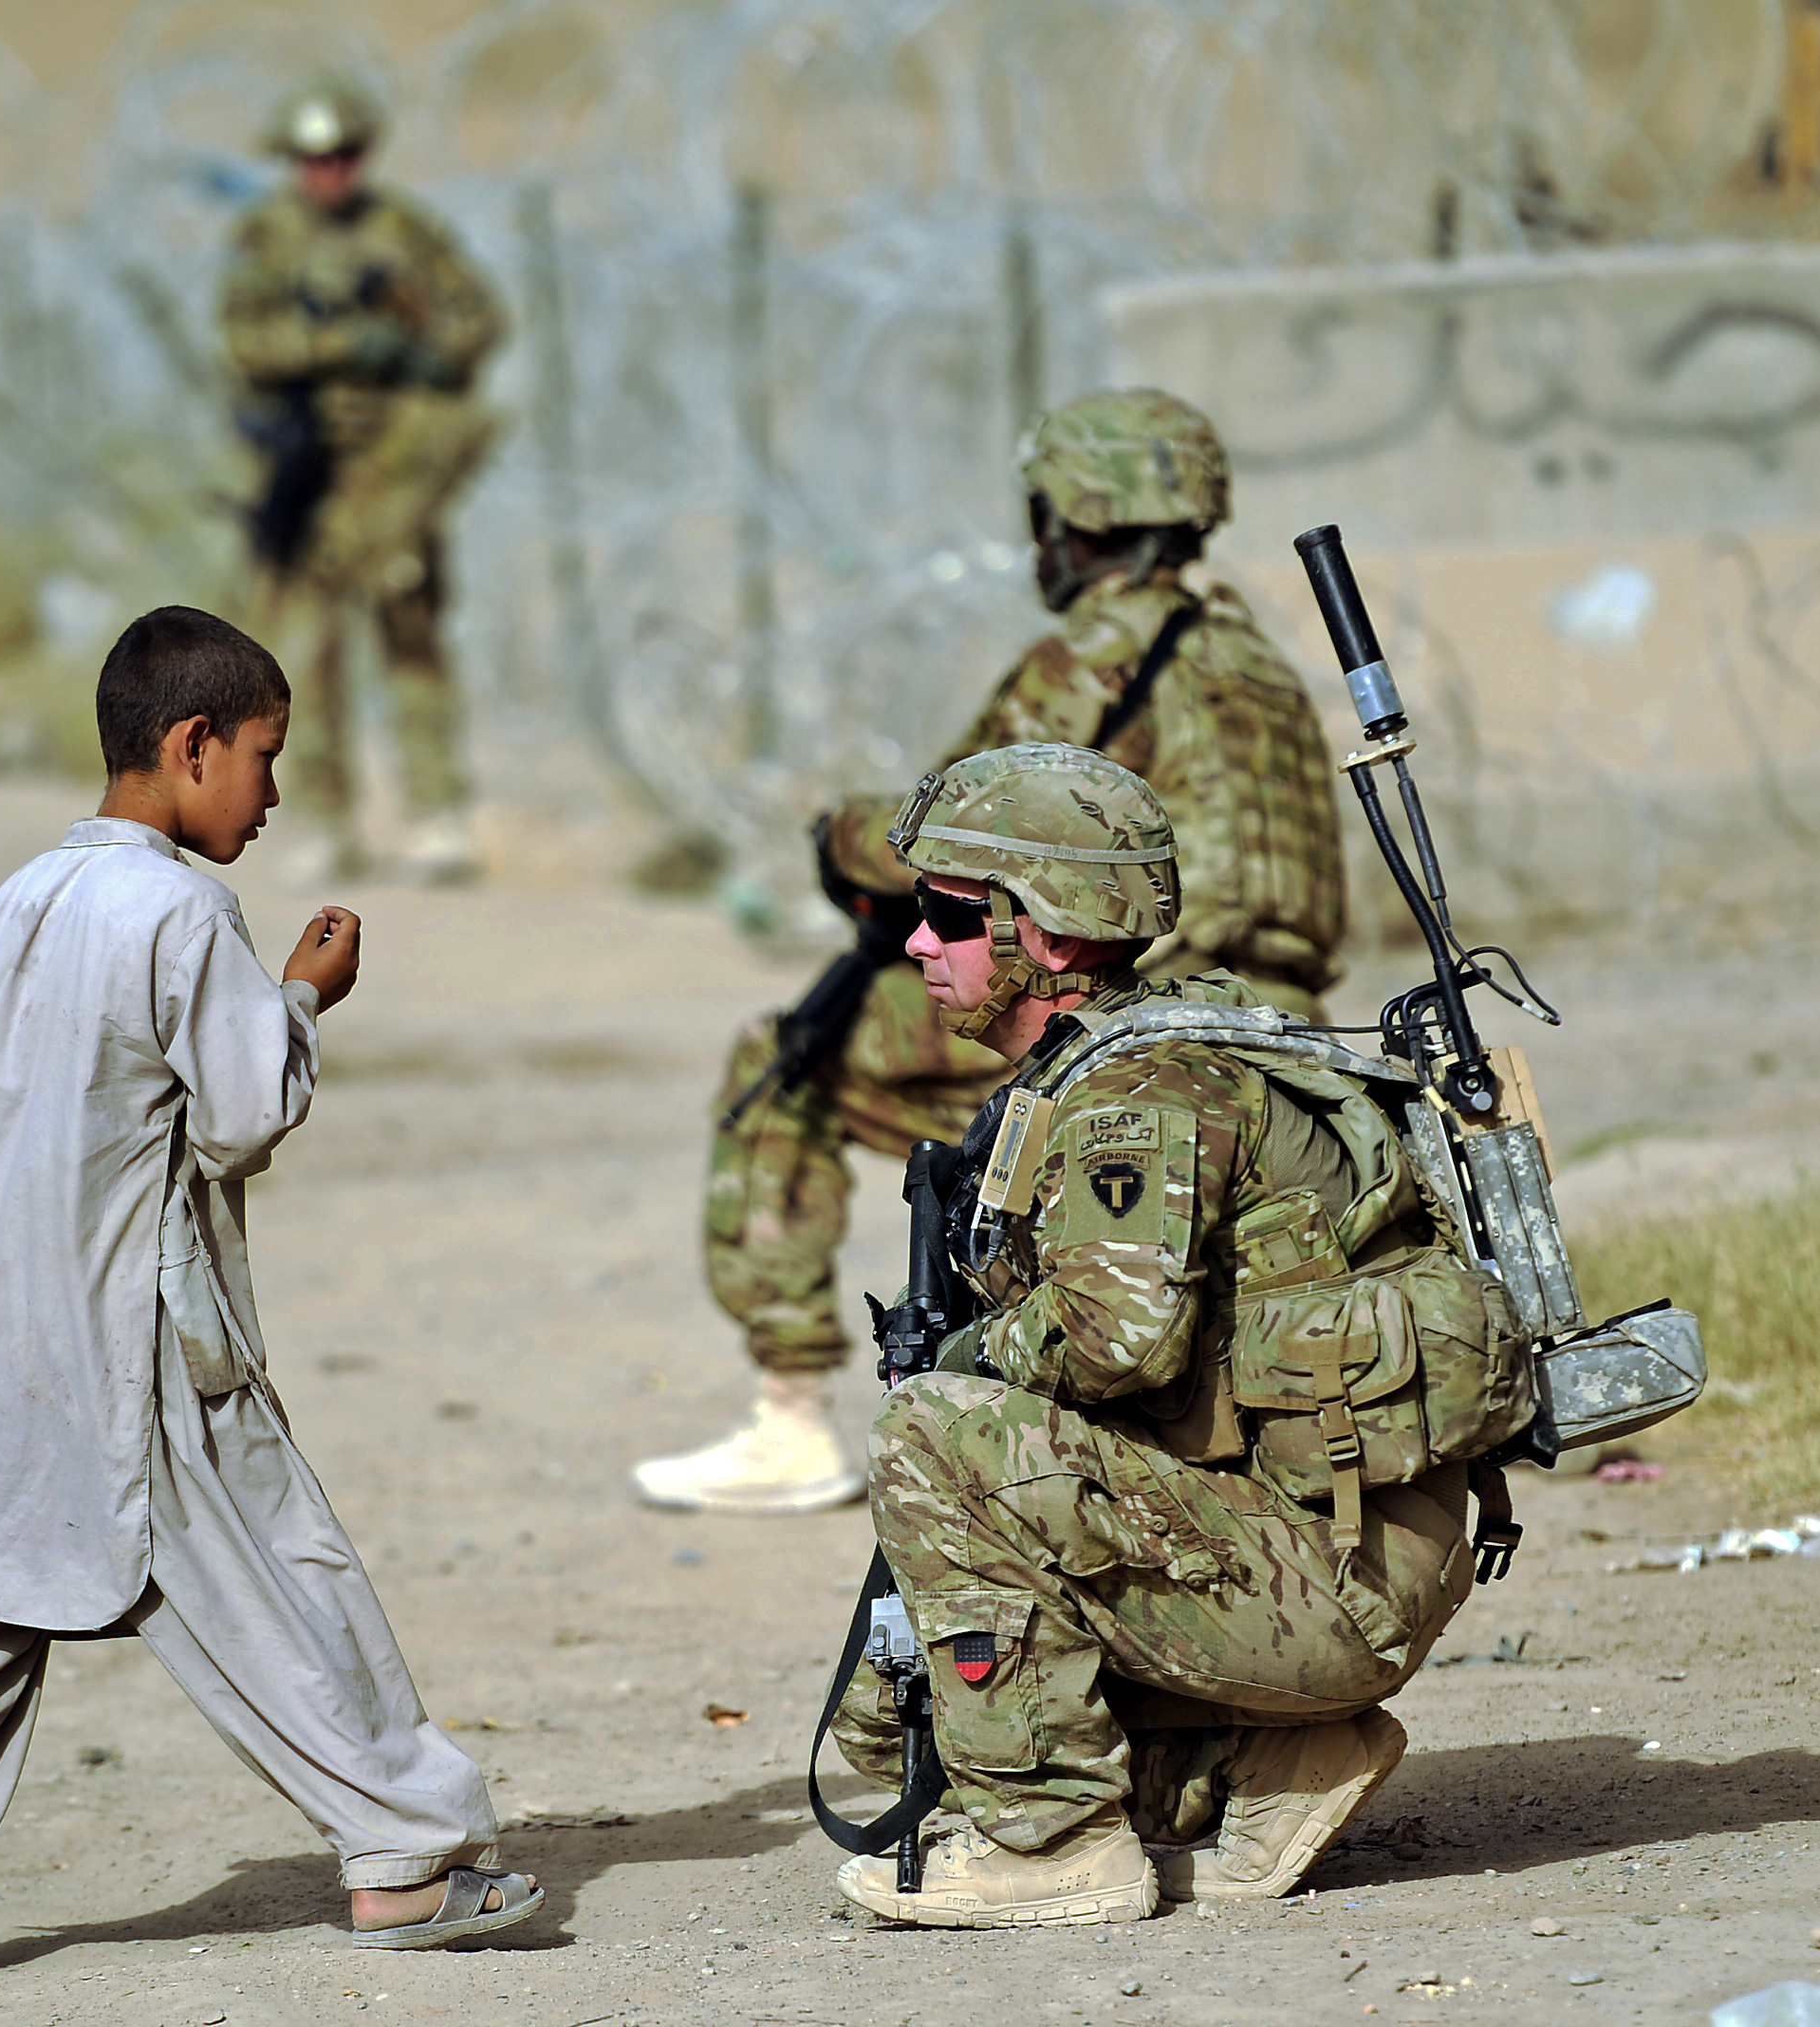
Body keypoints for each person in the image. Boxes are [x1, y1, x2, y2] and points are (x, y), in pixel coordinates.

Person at [0, 606, 542, 1981]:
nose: (273, 792)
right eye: (265, 755)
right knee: (281, 1579)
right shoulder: (184, 910)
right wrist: (302, 999)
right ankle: (405, 1859)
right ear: (190, 747)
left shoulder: (21, 897)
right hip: (131, 1326)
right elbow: (244, 1111)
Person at [635, 387, 1350, 1515]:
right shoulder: (1255, 664)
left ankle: (792, 1416)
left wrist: (837, 833)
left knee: (781, 1068)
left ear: (1078, 517)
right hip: (1273, 1018)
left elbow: (961, 821)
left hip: (1119, 1000)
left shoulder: (1099, 656)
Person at [828, 743, 1497, 1929]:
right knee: (884, 1739)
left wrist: (960, 1363)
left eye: (948, 915)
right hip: (1329, 1547)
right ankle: (1269, 1765)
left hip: (1331, 1576)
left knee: (933, 1433)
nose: (917, 945)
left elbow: (1114, 1344)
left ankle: (1054, 1852)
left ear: (1057, 936)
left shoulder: (1141, 1097)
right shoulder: (1140, 1052)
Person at [217, 77, 506, 885]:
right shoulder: (266, 237)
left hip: (395, 463)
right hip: (308, 463)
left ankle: (437, 812)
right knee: (305, 649)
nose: (328, 173)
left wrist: (423, 352)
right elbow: (246, 342)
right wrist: (342, 346)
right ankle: (321, 815)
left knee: (409, 632)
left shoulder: (407, 230)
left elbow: (477, 318)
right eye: (312, 159)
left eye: (343, 156)